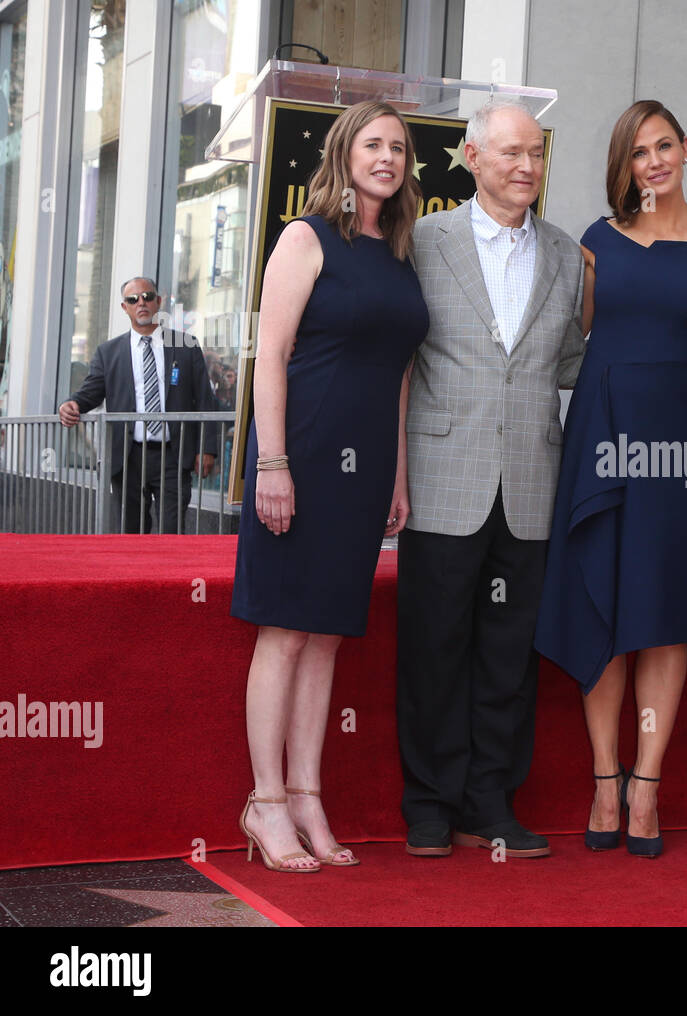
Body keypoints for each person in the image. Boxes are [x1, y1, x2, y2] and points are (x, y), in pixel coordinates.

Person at [533, 100, 687, 858]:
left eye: (664, 146)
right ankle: (603, 778)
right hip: (600, 428)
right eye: (638, 151)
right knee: (601, 595)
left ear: (686, 150)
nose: (653, 161)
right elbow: (575, 341)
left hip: (676, 446)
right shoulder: (598, 239)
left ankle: (648, 785)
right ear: (624, 165)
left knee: (661, 613)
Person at [230, 100, 428, 872]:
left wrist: (399, 473)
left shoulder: (404, 252)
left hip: (367, 465)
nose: (386, 157)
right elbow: (270, 355)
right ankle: (266, 800)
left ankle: (308, 795)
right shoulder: (305, 237)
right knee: (283, 630)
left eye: (399, 148)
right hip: (303, 455)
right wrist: (271, 464)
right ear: (344, 154)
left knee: (326, 637)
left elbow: (403, 375)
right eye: (372, 144)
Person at [398, 98, 584, 861]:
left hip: (533, 482)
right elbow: (398, 359)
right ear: (471, 158)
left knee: (509, 656)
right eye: (510, 153)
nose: (526, 168)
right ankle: (430, 804)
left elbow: (574, 363)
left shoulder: (569, 254)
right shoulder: (422, 241)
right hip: (443, 477)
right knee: (434, 648)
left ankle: (491, 801)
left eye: (536, 154)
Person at [58, 278, 218, 533]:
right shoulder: (108, 352)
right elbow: (90, 393)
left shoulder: (185, 346)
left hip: (173, 456)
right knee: (131, 533)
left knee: (172, 531)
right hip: (128, 456)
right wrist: (71, 403)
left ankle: (168, 574)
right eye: (133, 299)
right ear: (125, 307)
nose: (141, 302)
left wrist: (207, 448)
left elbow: (205, 400)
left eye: (147, 296)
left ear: (158, 301)